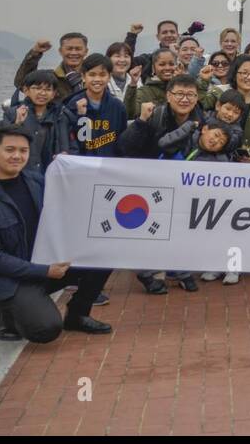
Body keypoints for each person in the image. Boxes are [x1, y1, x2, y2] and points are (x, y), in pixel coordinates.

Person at [0, 124, 112, 342]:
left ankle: (77, 315)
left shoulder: (36, 181)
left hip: (47, 262)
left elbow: (67, 203)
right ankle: (8, 313)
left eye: (23, 151)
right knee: (46, 329)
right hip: (14, 279)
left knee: (105, 255)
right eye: (10, 150)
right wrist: (44, 271)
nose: (17, 156)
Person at [117, 74, 205, 294]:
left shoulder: (202, 118)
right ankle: (147, 274)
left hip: (184, 185)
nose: (184, 99)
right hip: (151, 184)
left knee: (181, 228)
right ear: (168, 95)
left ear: (197, 97)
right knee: (150, 230)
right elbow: (126, 147)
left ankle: (181, 270)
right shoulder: (155, 116)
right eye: (179, 94)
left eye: (190, 95)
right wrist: (141, 122)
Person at [4, 70, 72, 176]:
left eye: (48, 89)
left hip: (50, 174)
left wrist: (64, 154)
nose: (42, 93)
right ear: (26, 90)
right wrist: (17, 124)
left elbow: (65, 143)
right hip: (20, 174)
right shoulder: (13, 113)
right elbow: (4, 144)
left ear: (54, 94)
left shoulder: (60, 115)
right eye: (37, 88)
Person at [205, 55, 250, 159]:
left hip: (248, 161)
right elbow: (200, 103)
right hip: (217, 156)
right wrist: (203, 81)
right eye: (244, 72)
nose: (249, 77)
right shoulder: (219, 92)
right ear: (234, 74)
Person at [68, 53, 128, 158]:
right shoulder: (73, 105)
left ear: (109, 77)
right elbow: (77, 142)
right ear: (83, 77)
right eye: (92, 74)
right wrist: (81, 116)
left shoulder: (118, 106)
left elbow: (122, 143)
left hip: (109, 166)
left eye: (102, 75)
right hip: (82, 166)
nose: (97, 79)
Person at [13, 32, 89, 102]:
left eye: (78, 49)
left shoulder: (93, 78)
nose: (73, 53)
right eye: (69, 49)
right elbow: (21, 82)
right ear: (60, 51)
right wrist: (35, 53)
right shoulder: (50, 78)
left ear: (86, 51)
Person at [124, 47, 177, 118]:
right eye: (162, 64)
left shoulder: (184, 87)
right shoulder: (144, 92)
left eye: (171, 64)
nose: (167, 68)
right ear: (153, 68)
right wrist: (133, 84)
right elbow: (129, 114)